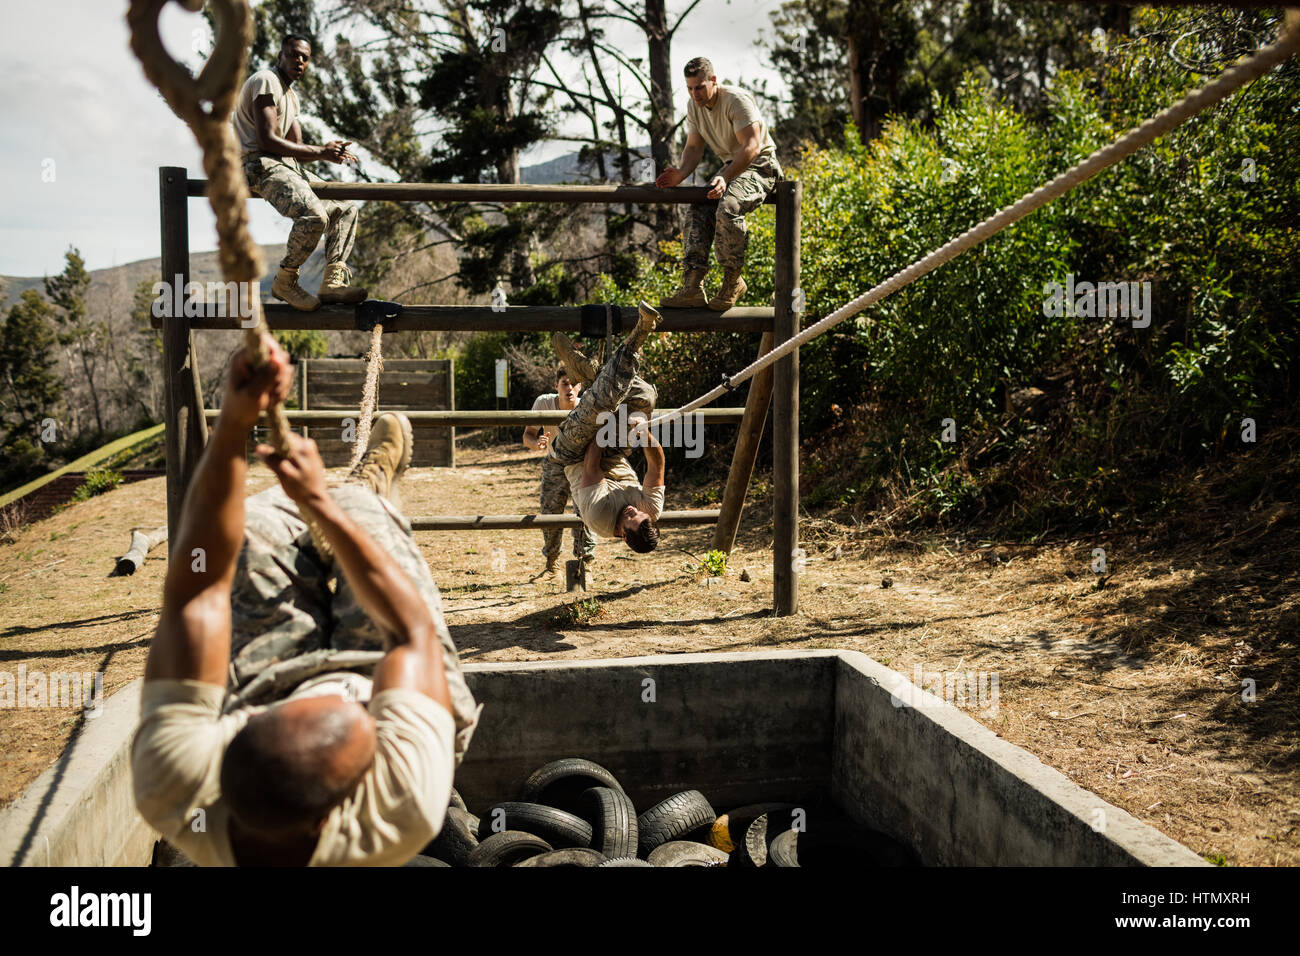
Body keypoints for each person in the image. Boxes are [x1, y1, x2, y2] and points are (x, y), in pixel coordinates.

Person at [132, 334, 481, 866]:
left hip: (263, 679)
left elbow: (197, 590)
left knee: (254, 528)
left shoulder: (176, 779)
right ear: (332, 814)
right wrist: (321, 502)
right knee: (362, 516)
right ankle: (369, 485)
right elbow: (410, 634)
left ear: (237, 734)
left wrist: (234, 422)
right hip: (381, 670)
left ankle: (325, 501)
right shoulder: (399, 800)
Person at [232, 34, 368, 312]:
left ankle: (332, 283)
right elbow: (267, 140)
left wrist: (328, 150)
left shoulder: (290, 96)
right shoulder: (265, 80)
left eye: (305, 58)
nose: (299, 61)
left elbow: (296, 147)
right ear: (280, 55)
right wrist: (320, 152)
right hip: (259, 164)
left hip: (285, 165)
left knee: (345, 207)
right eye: (294, 54)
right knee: (314, 215)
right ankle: (285, 280)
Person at [656, 56, 782, 312]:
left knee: (728, 207)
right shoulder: (694, 107)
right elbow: (693, 148)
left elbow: (752, 146)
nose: (695, 94)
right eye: (690, 88)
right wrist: (680, 173)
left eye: (700, 87)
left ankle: (733, 281)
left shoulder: (736, 101)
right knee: (698, 207)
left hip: (761, 165)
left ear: (713, 81)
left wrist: (724, 176)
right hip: (731, 168)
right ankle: (692, 285)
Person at [546, 302, 666, 553]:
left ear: (623, 534)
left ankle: (641, 331)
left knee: (603, 403)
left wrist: (610, 421)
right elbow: (657, 466)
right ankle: (591, 374)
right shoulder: (651, 510)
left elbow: (591, 460)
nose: (634, 511)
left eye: (630, 518)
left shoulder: (600, 517)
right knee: (645, 398)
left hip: (574, 455)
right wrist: (643, 433)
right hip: (613, 453)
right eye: (640, 514)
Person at [523, 364, 596, 580]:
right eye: (565, 383)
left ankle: (585, 565)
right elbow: (527, 435)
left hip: (581, 463)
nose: (570, 388)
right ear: (556, 385)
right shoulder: (543, 403)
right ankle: (551, 564)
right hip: (554, 461)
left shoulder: (588, 406)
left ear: (581, 386)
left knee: (585, 512)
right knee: (550, 513)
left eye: (574, 384)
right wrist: (536, 443)